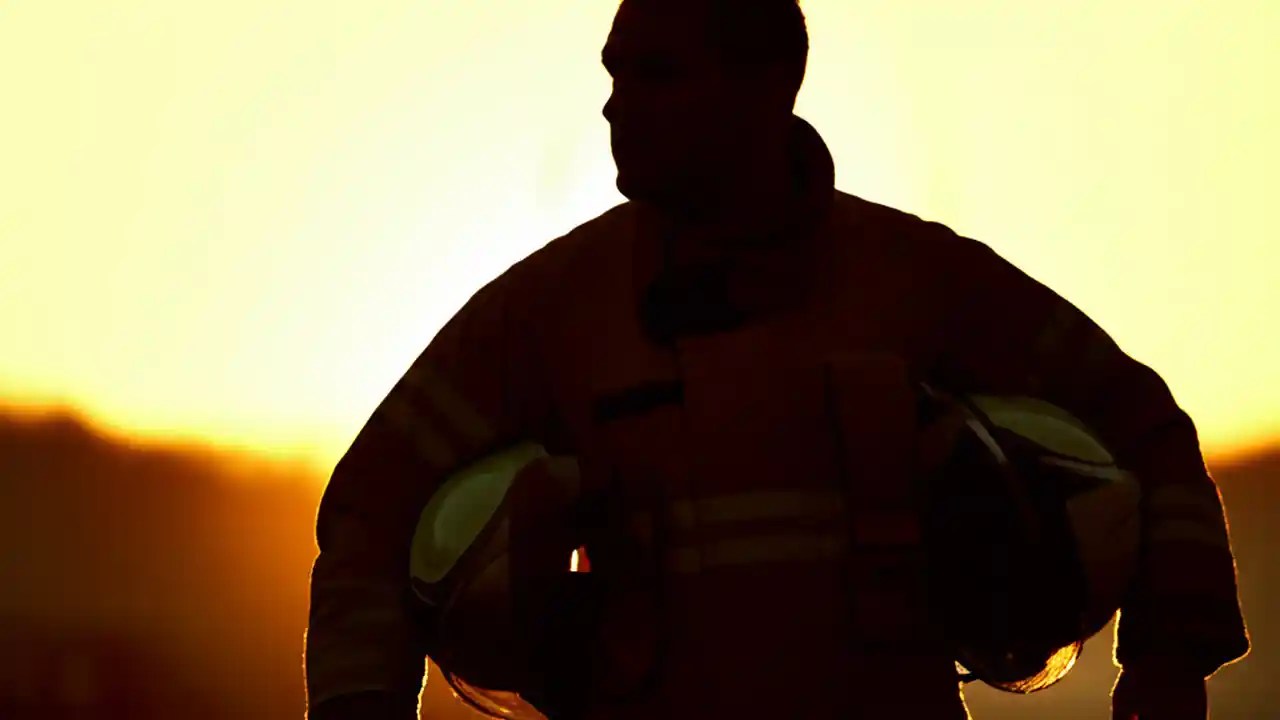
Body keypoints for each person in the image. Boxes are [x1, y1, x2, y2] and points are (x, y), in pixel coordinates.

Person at [305, 1, 1249, 718]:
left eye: (658, 75)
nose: (613, 106)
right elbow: (371, 511)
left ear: (771, 83)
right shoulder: (551, 312)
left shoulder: (923, 283)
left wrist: (1171, 660)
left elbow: (1145, 431)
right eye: (615, 72)